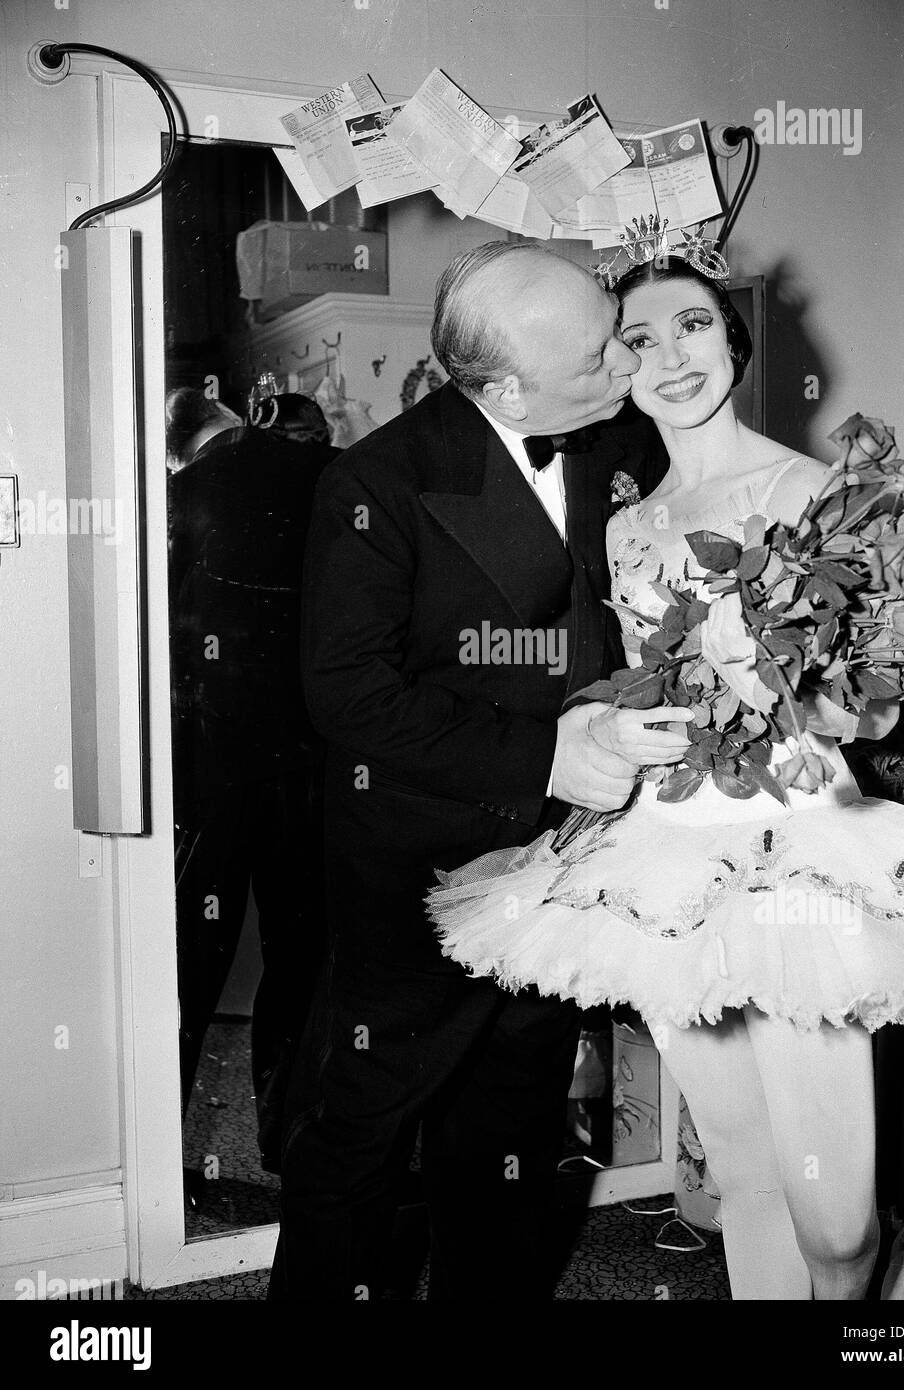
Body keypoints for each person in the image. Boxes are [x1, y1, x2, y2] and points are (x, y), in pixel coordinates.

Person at [429, 252, 904, 1300]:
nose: (671, 356)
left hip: (801, 847)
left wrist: (820, 689)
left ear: (733, 338)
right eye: (639, 338)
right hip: (664, 858)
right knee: (743, 1172)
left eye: (693, 324)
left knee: (837, 1221)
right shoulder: (624, 526)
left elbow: (875, 705)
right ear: (611, 363)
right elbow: (627, 685)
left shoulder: (818, 492)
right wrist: (610, 723)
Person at [269, 241, 695, 1302]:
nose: (628, 369)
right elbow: (348, 695)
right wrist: (548, 751)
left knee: (513, 1124)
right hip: (419, 861)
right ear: (503, 385)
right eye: (601, 355)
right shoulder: (376, 481)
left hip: (563, 854)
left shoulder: (622, 436)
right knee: (363, 1128)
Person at [167, 390, 337, 1172]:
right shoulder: (329, 473)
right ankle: (293, 1144)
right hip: (317, 758)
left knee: (188, 966)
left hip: (212, 761)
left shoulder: (181, 493)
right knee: (302, 957)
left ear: (180, 449)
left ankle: (161, 1163)